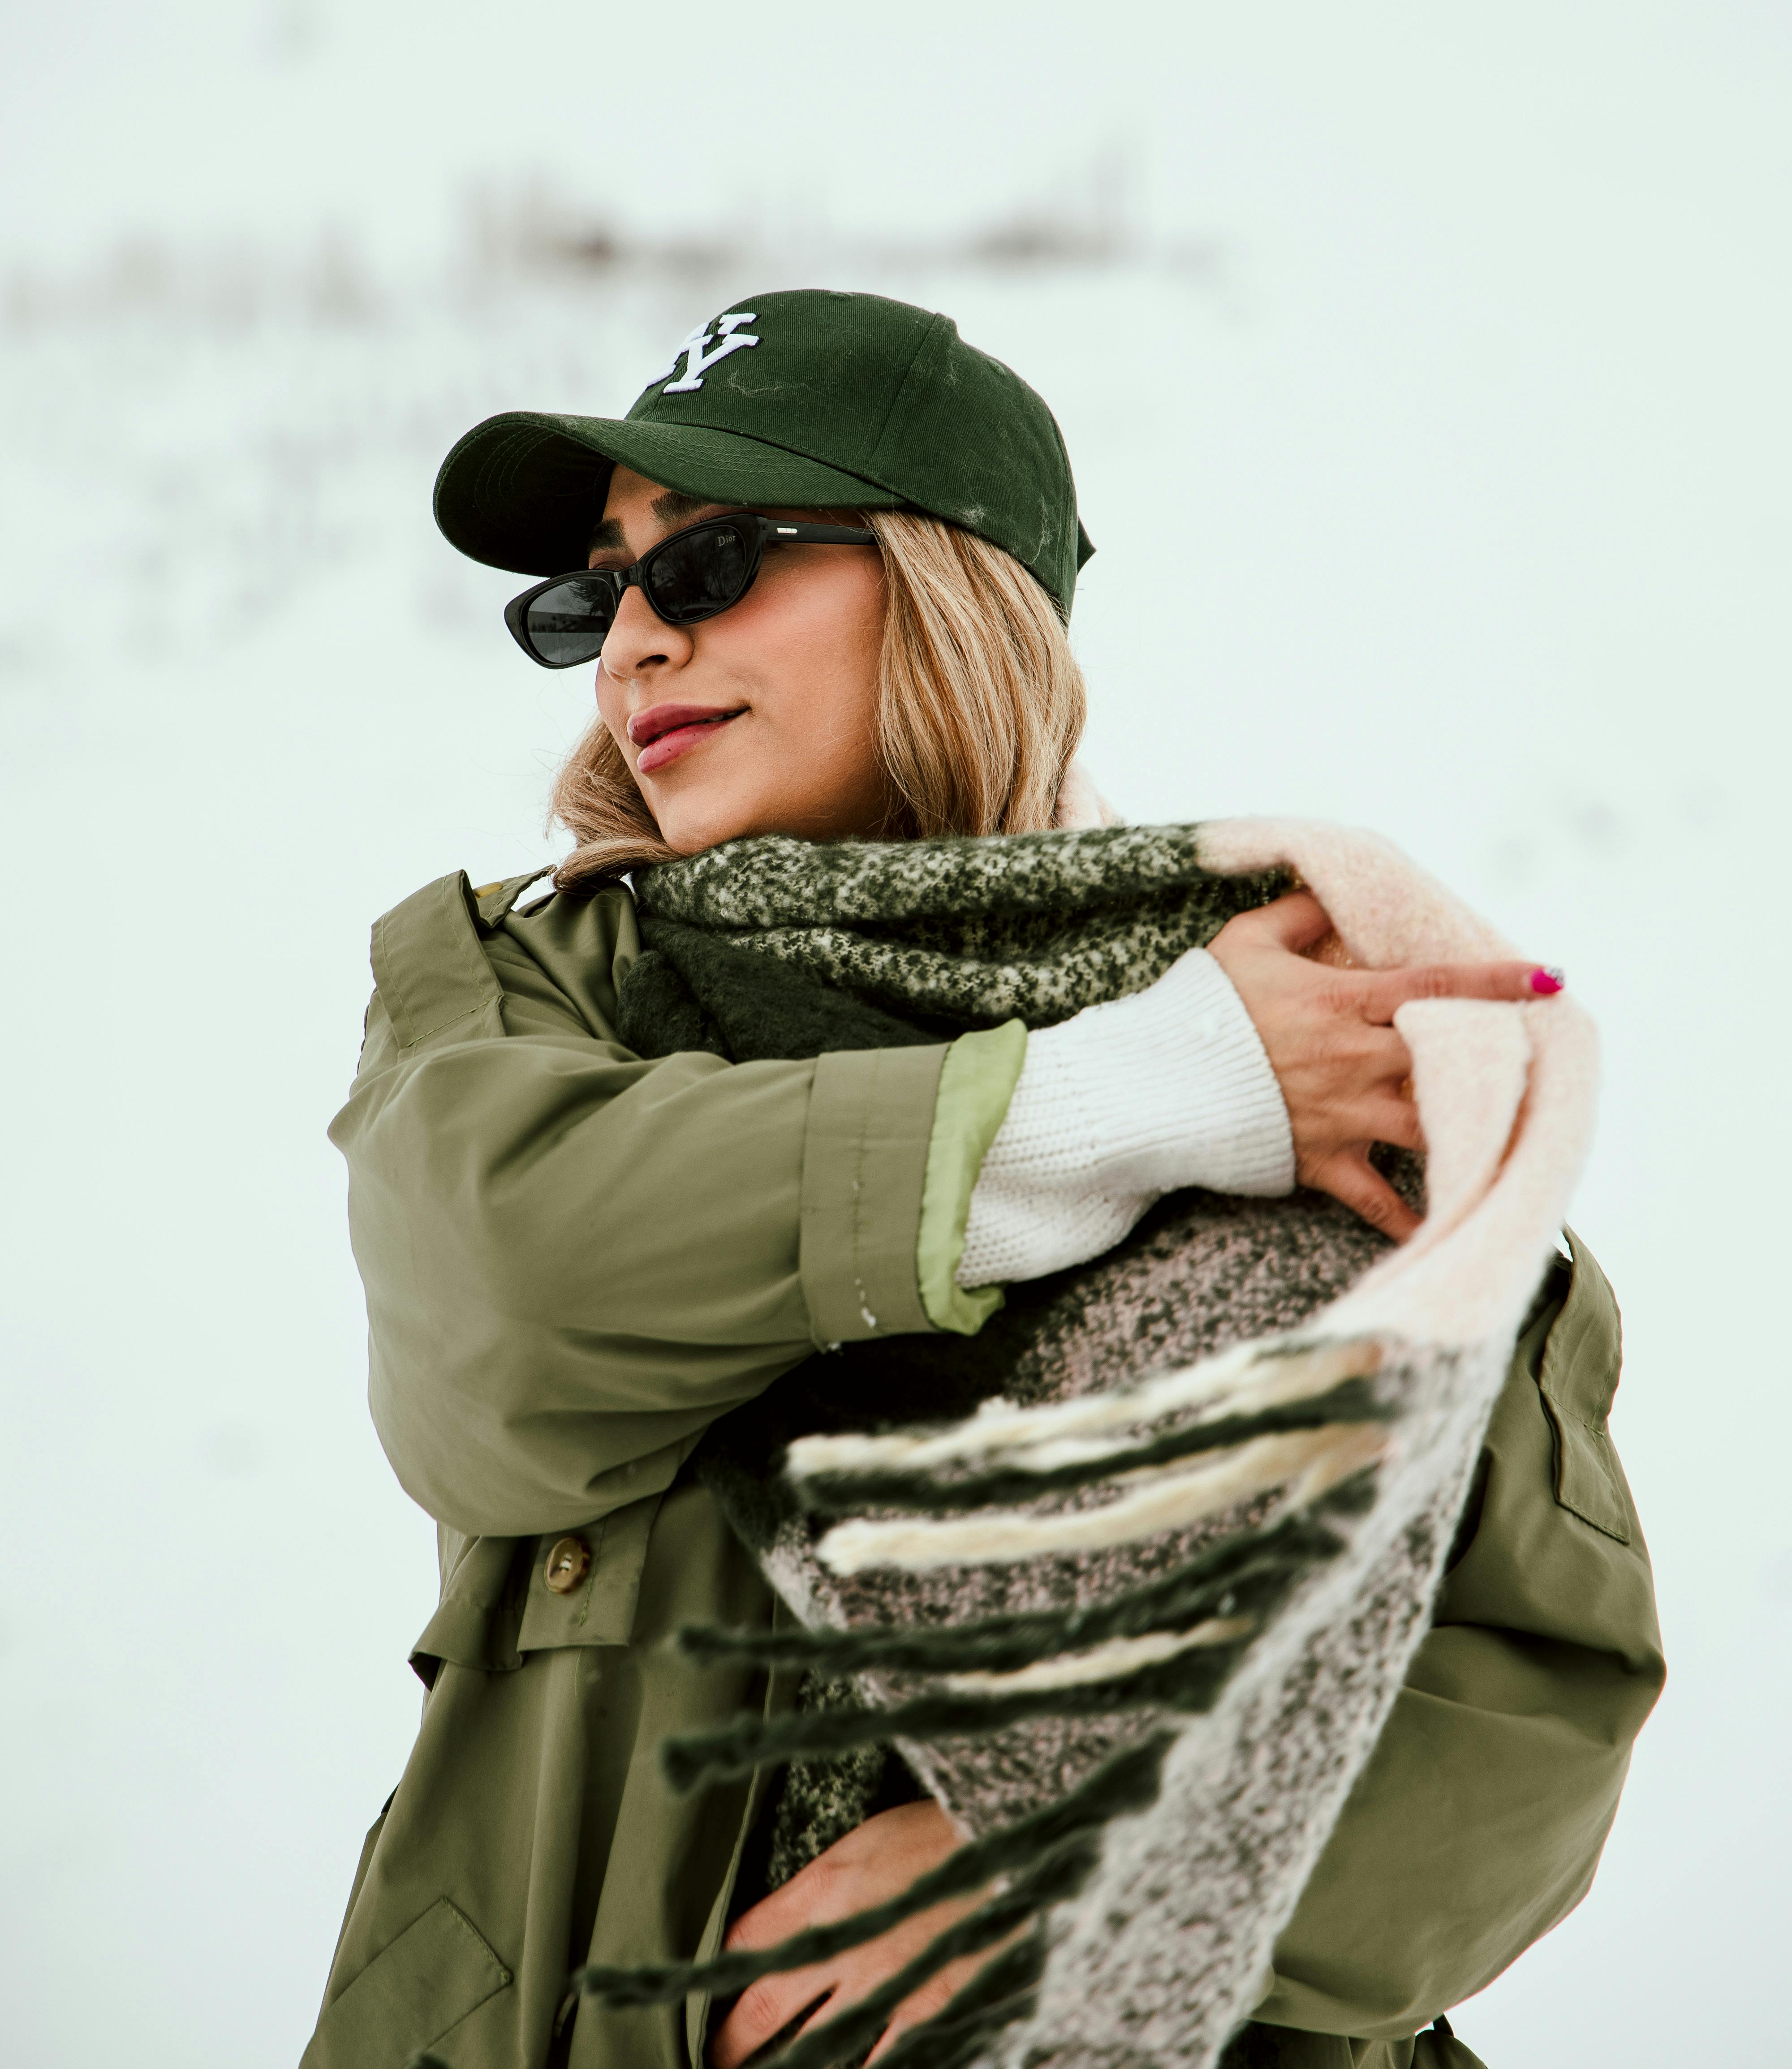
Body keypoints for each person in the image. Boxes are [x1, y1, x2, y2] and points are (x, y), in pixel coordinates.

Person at [304, 290, 1663, 2069]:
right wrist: (1147, 1098)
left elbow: (1525, 1727)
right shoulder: (539, 997)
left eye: (707, 561)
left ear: (956, 592)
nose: (630, 642)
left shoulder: (1327, 1032)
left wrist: (1091, 1859)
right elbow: (514, 1295)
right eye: (597, 591)